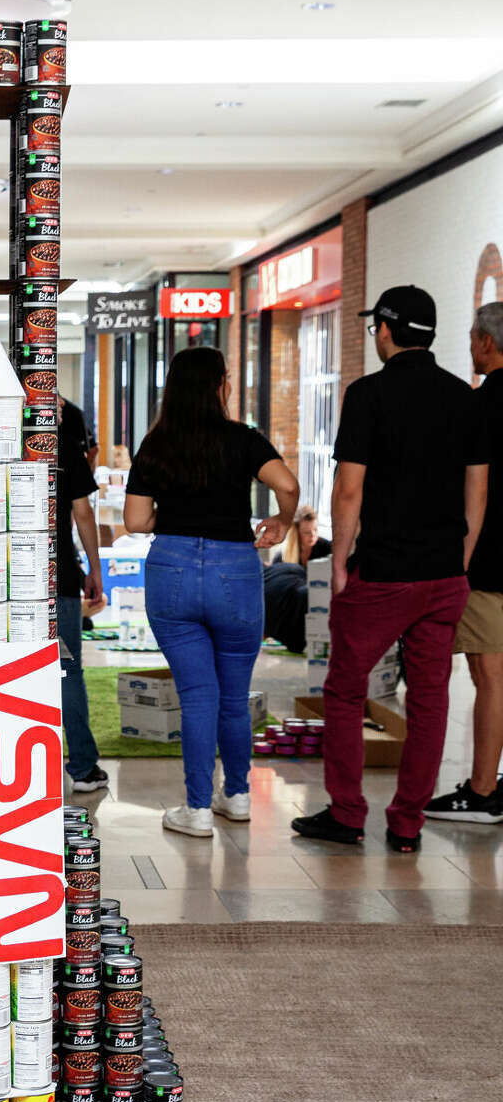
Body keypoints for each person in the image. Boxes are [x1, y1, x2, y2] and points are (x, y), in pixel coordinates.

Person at [292, 286, 488, 853]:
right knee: (429, 701)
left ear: (385, 328)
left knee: (346, 692)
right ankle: (406, 826)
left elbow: (347, 492)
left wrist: (342, 562)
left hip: (382, 574)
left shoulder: (368, 394)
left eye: (375, 326)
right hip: (444, 576)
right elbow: (478, 492)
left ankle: (348, 815)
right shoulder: (464, 398)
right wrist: (463, 562)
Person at [123, 346, 299, 837]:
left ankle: (197, 808)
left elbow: (136, 520)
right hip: (235, 572)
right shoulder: (241, 439)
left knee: (197, 696)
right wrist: (282, 522)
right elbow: (286, 483)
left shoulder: (157, 443)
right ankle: (238, 796)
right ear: (221, 384)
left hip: (172, 570)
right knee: (233, 695)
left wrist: (175, 523)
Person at [427, 300, 503, 823]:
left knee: (491, 676)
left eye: (473, 336)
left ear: (485, 342)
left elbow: (467, 487)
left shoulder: (482, 404)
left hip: (490, 558)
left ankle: (481, 792)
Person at [57, 397, 108, 793]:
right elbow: (84, 513)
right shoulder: (63, 444)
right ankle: (83, 767)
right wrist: (94, 567)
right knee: (68, 669)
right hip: (58, 573)